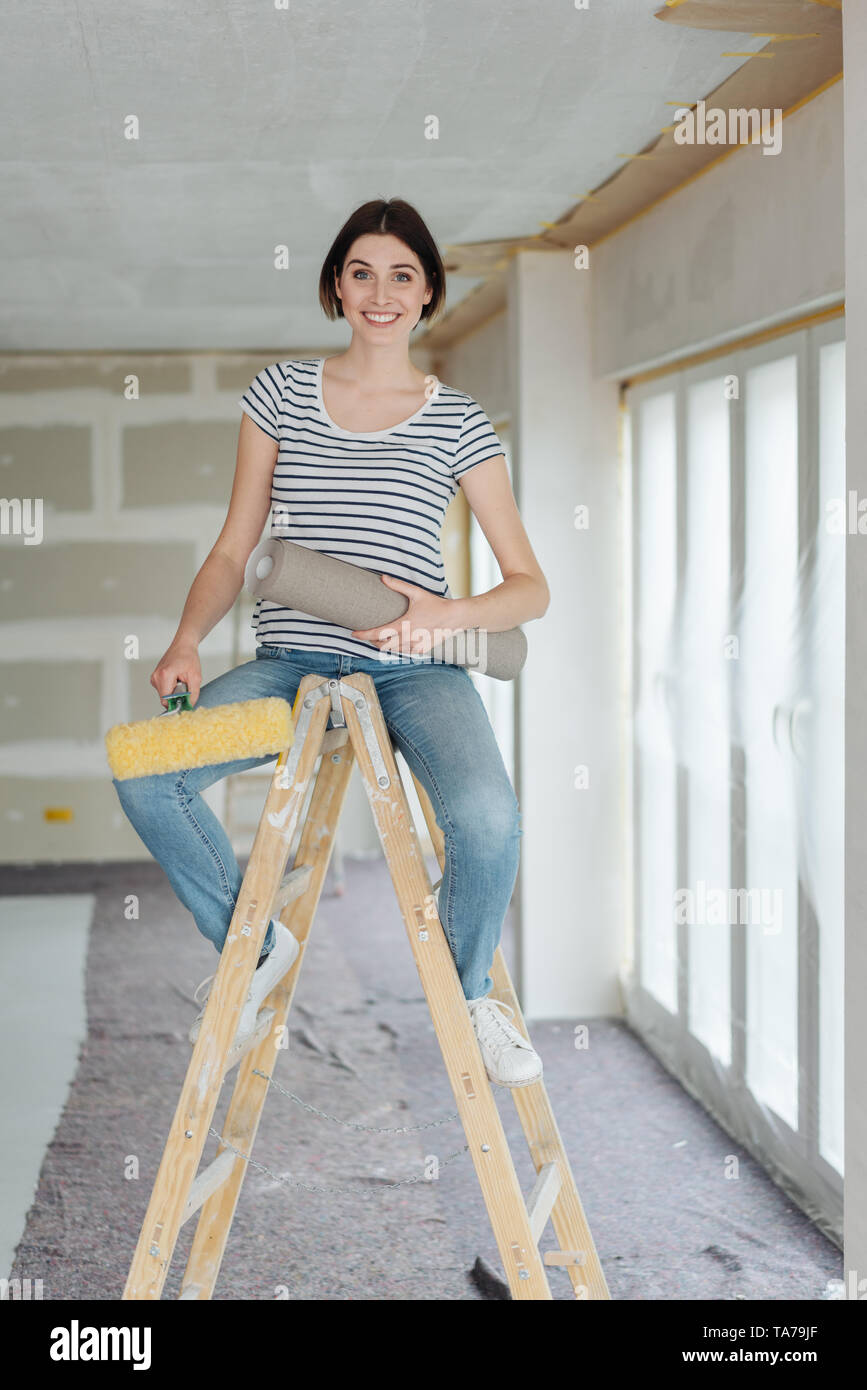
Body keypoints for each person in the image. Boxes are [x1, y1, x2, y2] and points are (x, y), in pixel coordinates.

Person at [112, 198, 550, 1088]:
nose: (379, 293)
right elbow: (237, 545)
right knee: (145, 771)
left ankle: (472, 1000)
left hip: (416, 671)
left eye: (401, 275)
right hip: (292, 666)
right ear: (336, 286)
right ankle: (253, 941)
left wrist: (441, 614)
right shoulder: (279, 394)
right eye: (361, 273)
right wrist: (187, 640)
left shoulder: (458, 422)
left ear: (427, 292)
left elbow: (529, 589)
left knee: (488, 819)